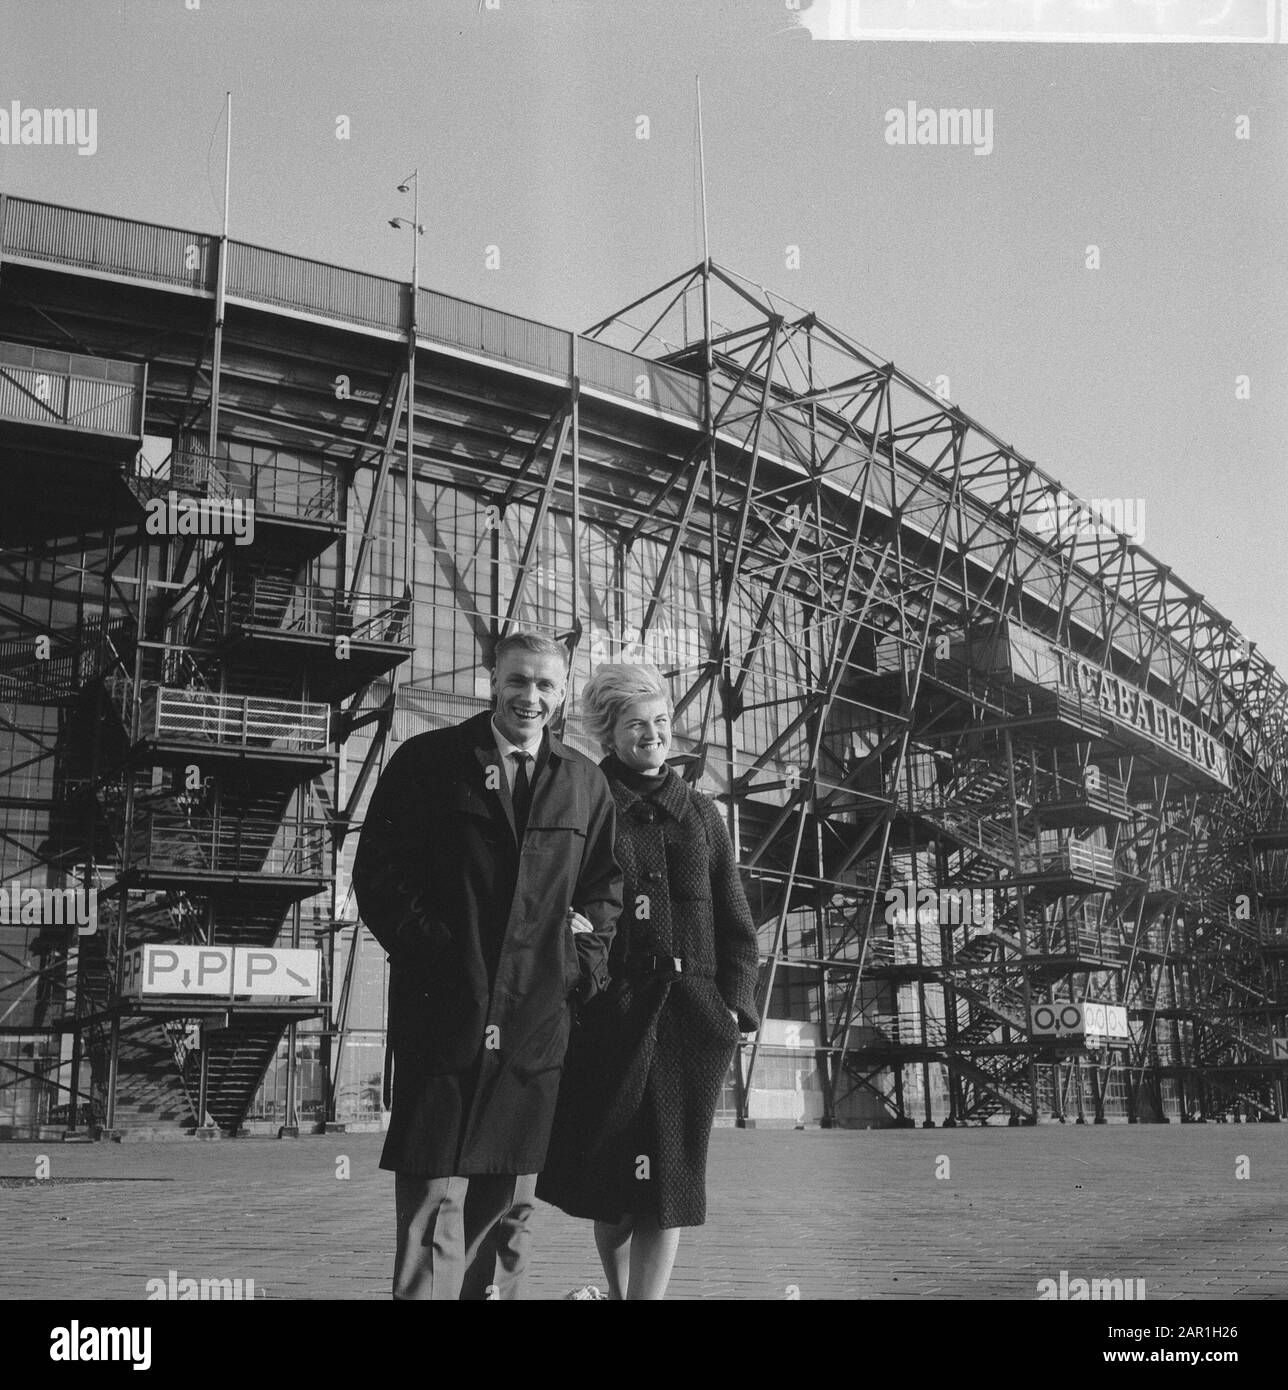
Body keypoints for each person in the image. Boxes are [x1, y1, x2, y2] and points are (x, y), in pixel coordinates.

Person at [353, 631, 622, 1300]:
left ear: (561, 696)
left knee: (508, 1203)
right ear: (492, 678)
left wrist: (576, 968)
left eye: (545, 685)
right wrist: (435, 953)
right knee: (430, 1193)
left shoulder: (584, 784)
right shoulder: (430, 762)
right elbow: (382, 875)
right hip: (445, 1010)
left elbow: (604, 893)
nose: (529, 696)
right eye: (517, 680)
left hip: (535, 1019)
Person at [536, 662, 761, 1299]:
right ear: (610, 733)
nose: (653, 734)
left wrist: (736, 1009)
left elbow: (735, 920)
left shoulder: (702, 814)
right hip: (612, 1015)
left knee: (671, 1183)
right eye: (637, 725)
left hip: (692, 1019)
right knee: (614, 1187)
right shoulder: (586, 802)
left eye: (661, 722)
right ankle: (614, 1290)